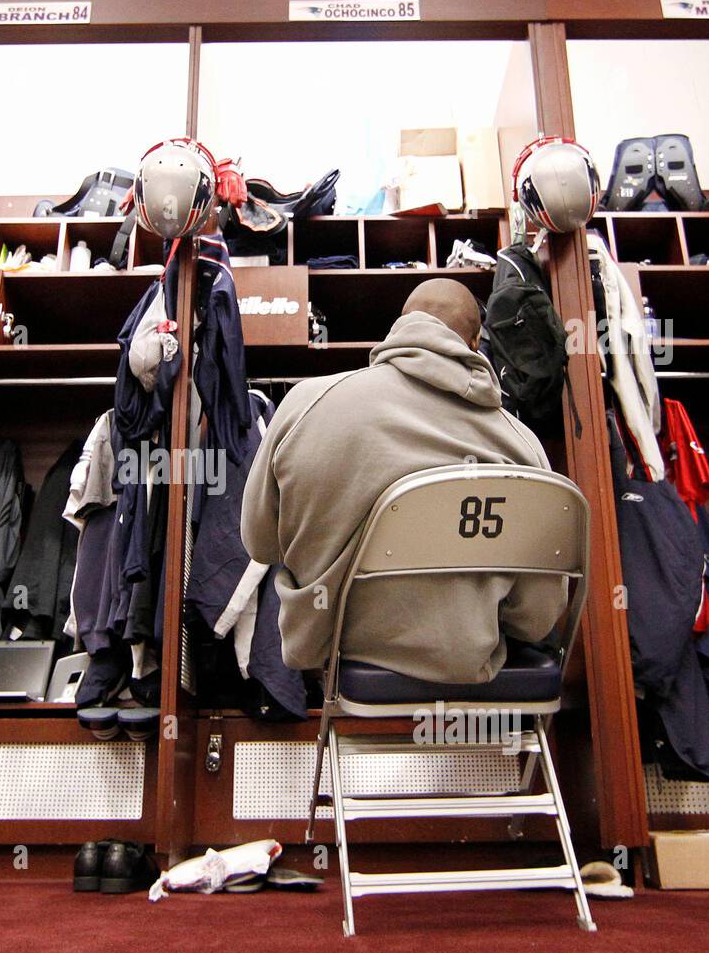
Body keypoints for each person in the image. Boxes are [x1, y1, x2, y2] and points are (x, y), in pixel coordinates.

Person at [241, 278, 567, 684]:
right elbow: (535, 619)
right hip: (466, 661)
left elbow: (260, 544)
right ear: (474, 343)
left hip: (336, 649)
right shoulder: (522, 448)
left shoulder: (305, 403)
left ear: (399, 329)